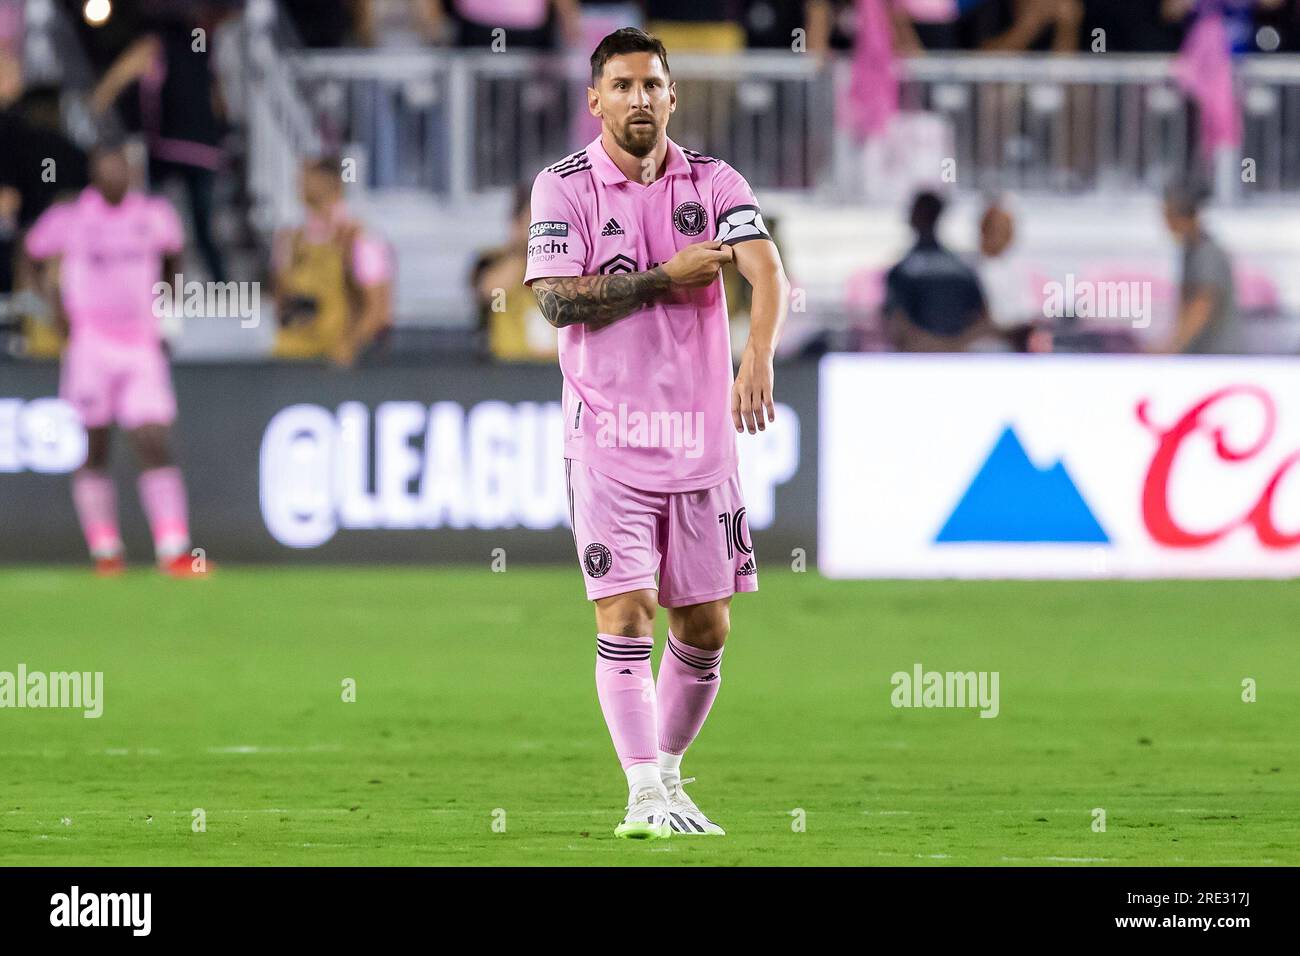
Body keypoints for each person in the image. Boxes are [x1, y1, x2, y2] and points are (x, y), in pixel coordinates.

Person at [526, 28, 789, 839]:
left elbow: (765, 269)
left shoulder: (713, 180)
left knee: (706, 627)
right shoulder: (563, 186)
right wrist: (660, 279)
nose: (639, 99)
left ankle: (668, 780)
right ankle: (641, 795)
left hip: (701, 440)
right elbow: (555, 301)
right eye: (623, 86)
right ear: (594, 99)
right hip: (607, 437)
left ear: (673, 96)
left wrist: (757, 356)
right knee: (626, 611)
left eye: (653, 86)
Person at [23, 141, 203, 578]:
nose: (116, 173)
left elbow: (173, 257)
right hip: (90, 343)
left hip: (141, 341)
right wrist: (51, 310)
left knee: (152, 437)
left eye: (121, 165)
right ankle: (105, 550)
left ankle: (175, 548)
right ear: (93, 172)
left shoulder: (154, 214)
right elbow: (30, 254)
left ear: (131, 170)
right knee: (95, 444)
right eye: (107, 166)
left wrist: (169, 312)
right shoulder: (71, 216)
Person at [271, 157, 394, 366]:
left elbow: (377, 310)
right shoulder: (291, 238)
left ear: (334, 183)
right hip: (293, 354)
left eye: (308, 177)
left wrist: (348, 348)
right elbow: (281, 300)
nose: (300, 182)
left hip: (338, 359)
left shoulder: (358, 237)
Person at [884, 191, 993, 351]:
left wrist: (933, 345)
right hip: (956, 356)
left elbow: (896, 323)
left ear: (915, 217)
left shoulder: (902, 272)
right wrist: (954, 344)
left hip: (918, 358)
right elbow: (984, 319)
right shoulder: (962, 269)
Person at [471, 183, 557, 362]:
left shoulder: (566, 263)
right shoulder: (491, 261)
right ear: (516, 223)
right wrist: (523, 250)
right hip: (508, 368)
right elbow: (493, 292)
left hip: (557, 369)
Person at [1162, 181, 1240, 353]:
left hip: (1217, 355)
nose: (1165, 224)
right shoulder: (1190, 251)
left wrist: (1171, 348)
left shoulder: (1207, 253)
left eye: (1168, 216)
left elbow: (1202, 306)